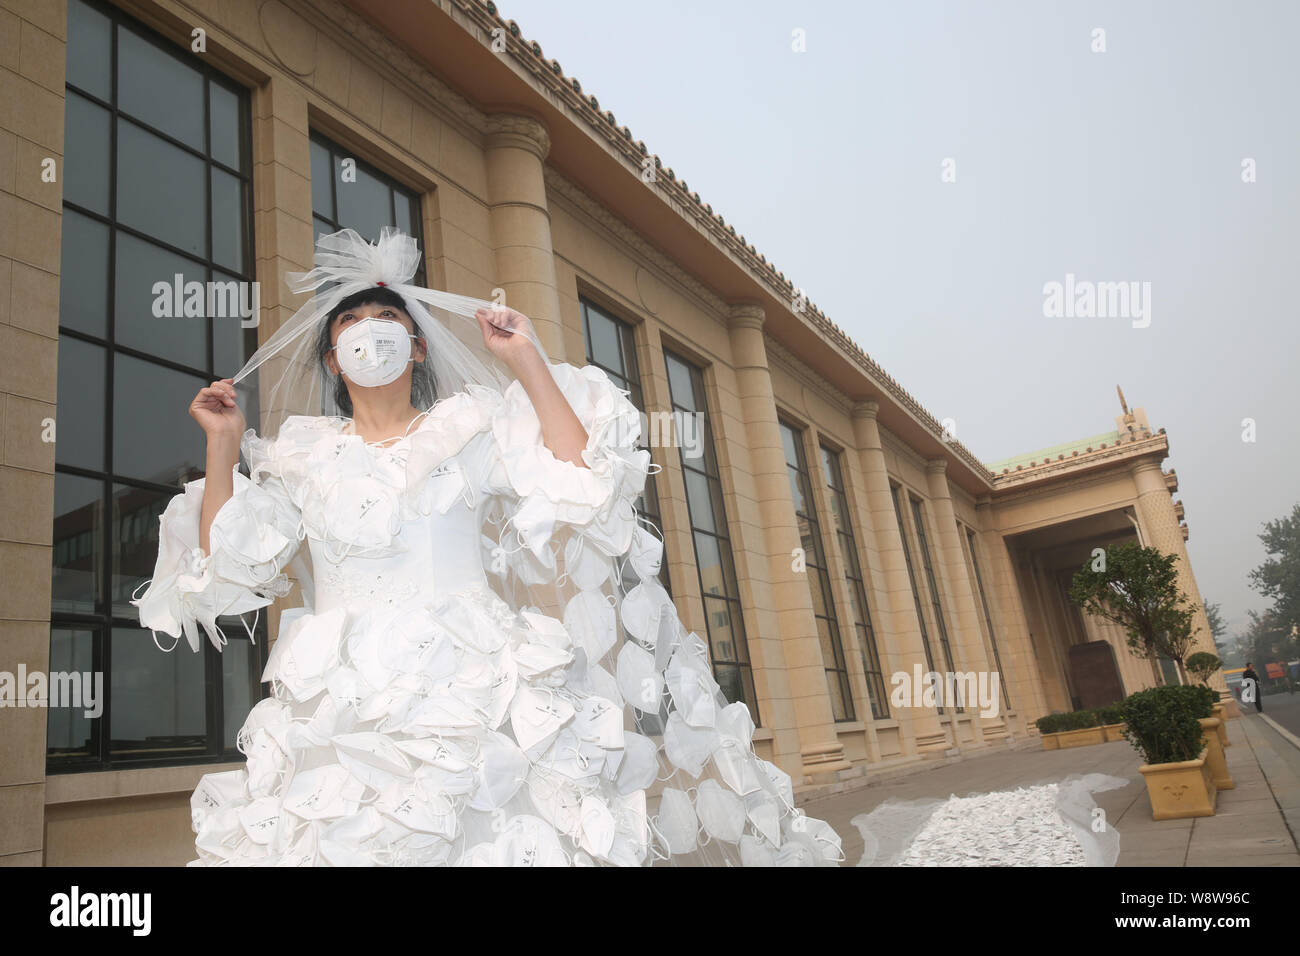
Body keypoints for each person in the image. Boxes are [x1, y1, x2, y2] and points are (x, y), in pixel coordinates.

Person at [132, 226, 844, 867]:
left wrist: (526, 361)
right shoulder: (302, 458)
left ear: (416, 345)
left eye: (387, 318)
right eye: (351, 321)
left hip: (476, 685)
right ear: (332, 357)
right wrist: (223, 447)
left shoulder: (468, 430)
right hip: (341, 705)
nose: (369, 331)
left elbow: (578, 474)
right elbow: (227, 565)